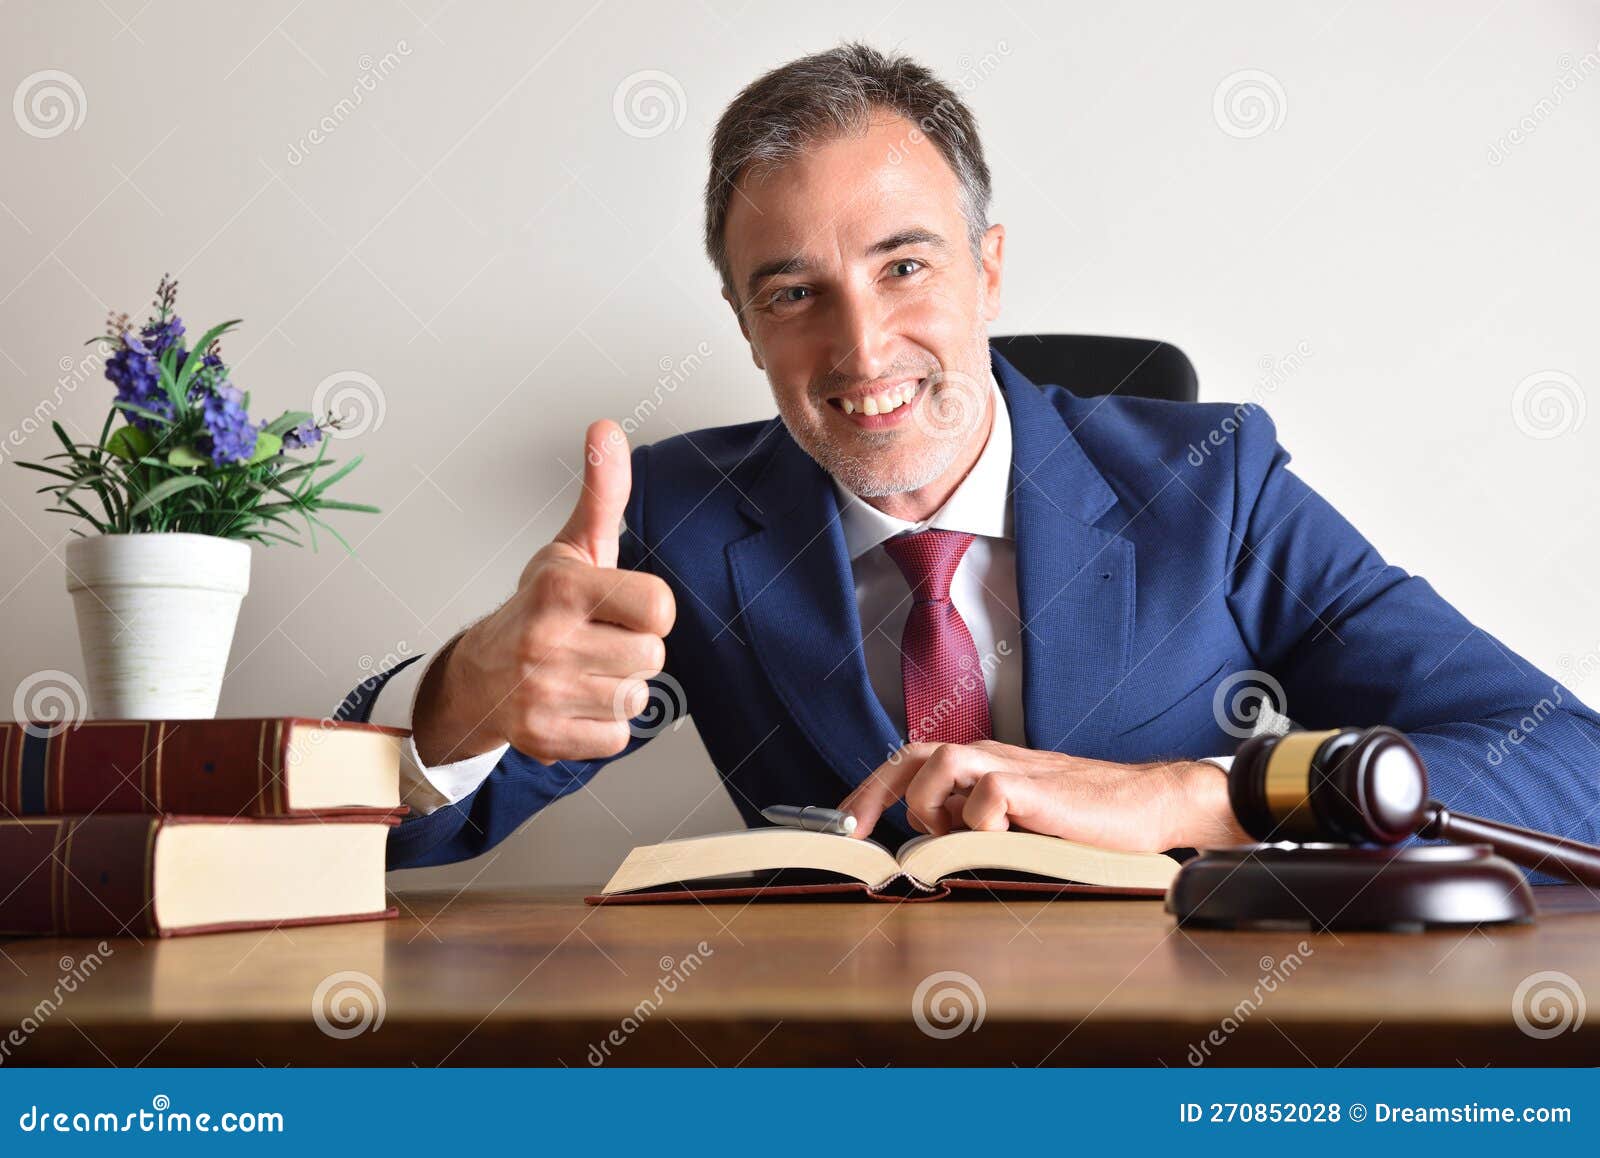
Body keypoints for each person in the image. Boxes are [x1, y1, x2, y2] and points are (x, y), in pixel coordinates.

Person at [339, 44, 1600, 872]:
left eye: (905, 265)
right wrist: (459, 695)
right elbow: (380, 841)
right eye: (792, 293)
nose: (861, 345)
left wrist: (1194, 798)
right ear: (741, 323)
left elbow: (1563, 762)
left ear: (988, 269)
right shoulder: (682, 515)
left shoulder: (1212, 482)